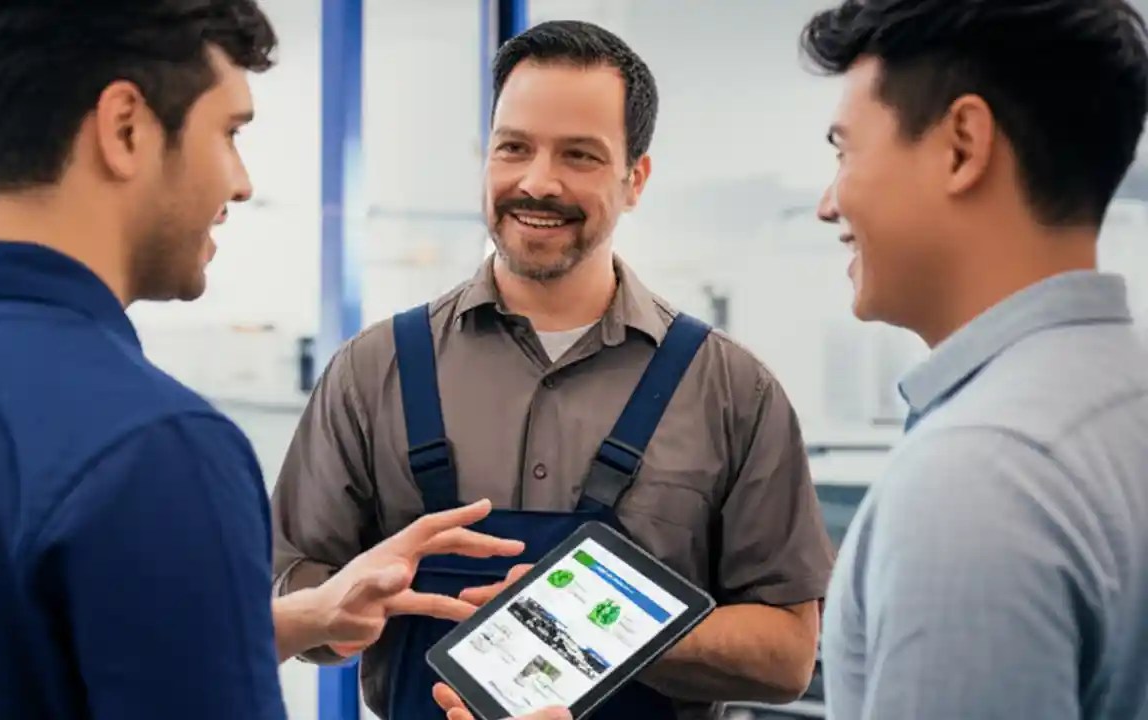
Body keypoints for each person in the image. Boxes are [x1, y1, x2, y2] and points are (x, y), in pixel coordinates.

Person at [0, 2, 544, 719]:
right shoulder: (155, 448)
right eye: (229, 133)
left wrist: (305, 616)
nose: (242, 181)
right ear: (125, 128)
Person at [271, 19, 835, 720]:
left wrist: (596, 625)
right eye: (514, 148)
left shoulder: (732, 391)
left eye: (579, 155)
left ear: (636, 179)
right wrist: (341, 610)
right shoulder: (371, 371)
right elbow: (291, 598)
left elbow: (786, 656)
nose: (538, 181)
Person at [799, 0, 1148, 718]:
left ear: (962, 145)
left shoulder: (978, 476)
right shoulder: (1121, 406)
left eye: (846, 152)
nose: (828, 205)